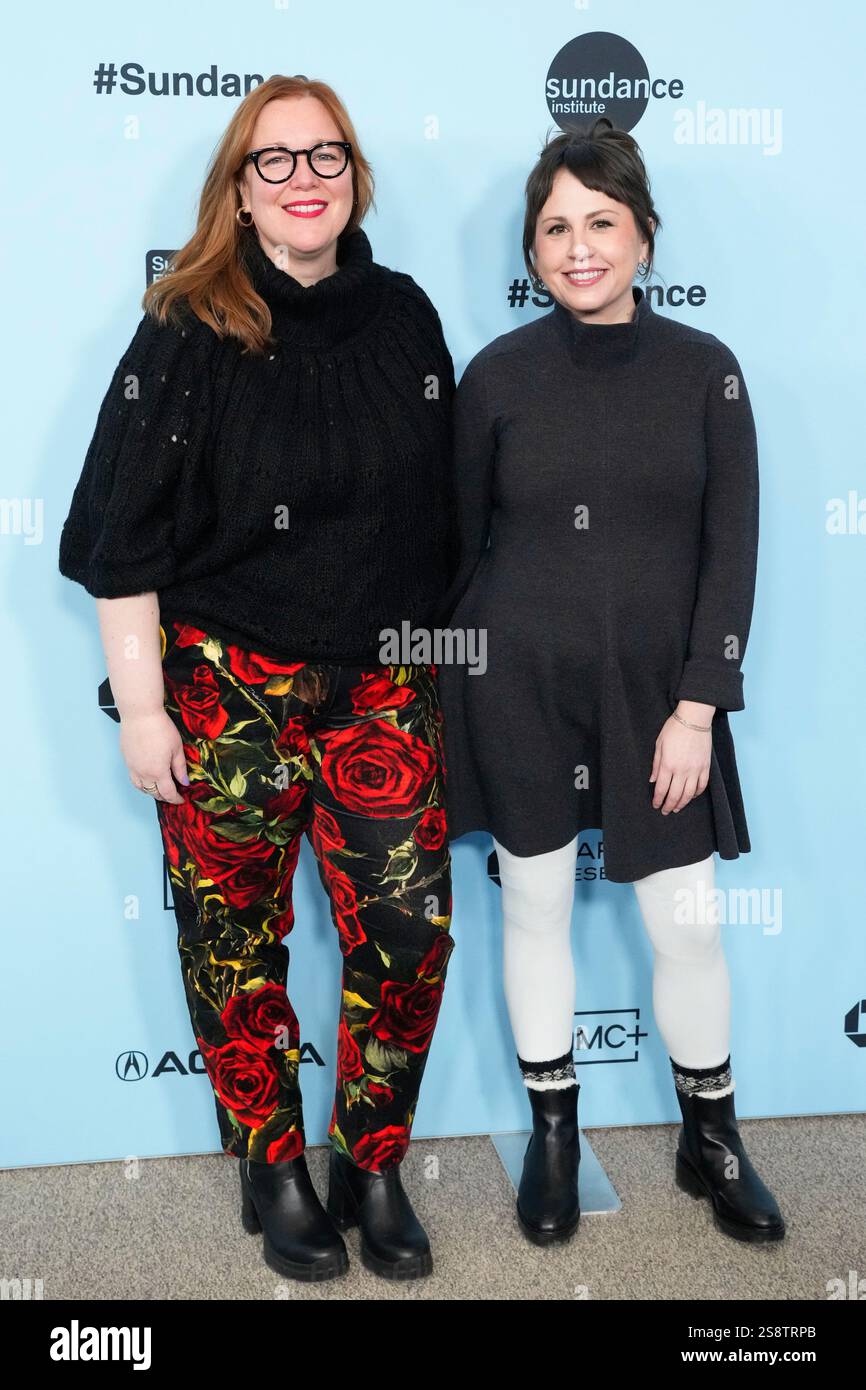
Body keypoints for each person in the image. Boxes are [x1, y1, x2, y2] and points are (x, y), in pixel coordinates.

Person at [58, 74, 457, 1282]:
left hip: (384, 686)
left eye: (324, 156)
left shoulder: (402, 317)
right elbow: (119, 538)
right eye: (274, 161)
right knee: (235, 944)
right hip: (226, 689)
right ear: (237, 188)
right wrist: (140, 713)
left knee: (405, 932)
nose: (304, 180)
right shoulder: (187, 324)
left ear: (355, 176)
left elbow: (442, 515)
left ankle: (370, 1160)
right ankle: (271, 1165)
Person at [436, 118, 785, 1246]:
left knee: (685, 924)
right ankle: (552, 1133)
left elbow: (730, 552)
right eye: (553, 228)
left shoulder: (704, 370)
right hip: (516, 690)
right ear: (530, 250)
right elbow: (455, 549)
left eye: (600, 222)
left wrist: (697, 707)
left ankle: (710, 1137)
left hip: (658, 703)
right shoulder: (494, 376)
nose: (576, 246)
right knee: (532, 903)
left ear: (641, 235)